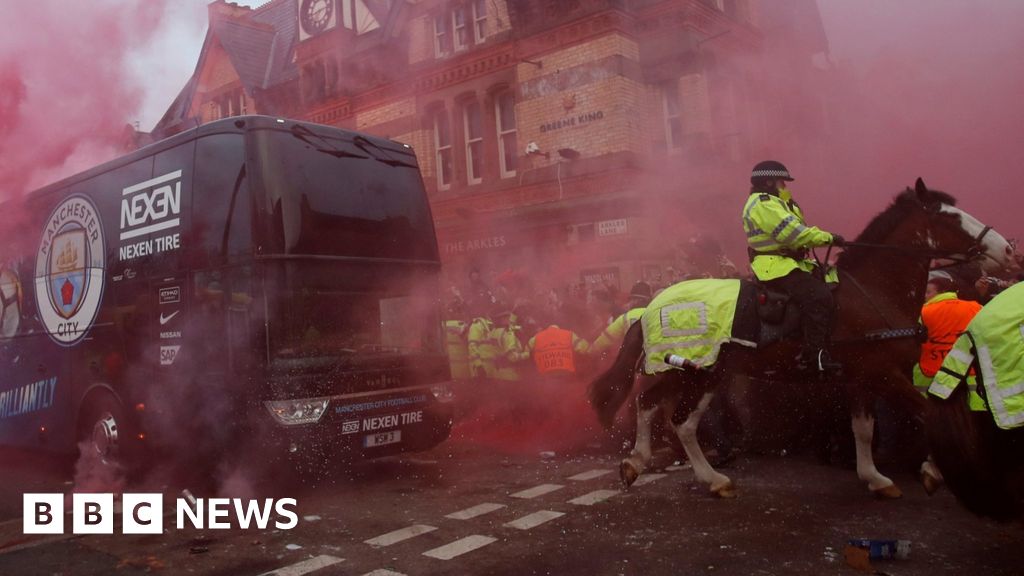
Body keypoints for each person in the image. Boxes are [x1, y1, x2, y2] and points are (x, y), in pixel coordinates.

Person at [741, 160, 844, 372]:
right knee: (818, 295)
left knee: (834, 280)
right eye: (782, 183)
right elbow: (794, 234)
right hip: (774, 265)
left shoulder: (777, 202)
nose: (785, 188)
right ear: (769, 182)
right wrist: (829, 238)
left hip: (789, 262)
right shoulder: (763, 204)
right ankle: (814, 356)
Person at [928, 281, 1024, 428]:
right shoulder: (974, 306)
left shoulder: (927, 310)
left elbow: (963, 349)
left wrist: (940, 391)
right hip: (1002, 341)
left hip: (984, 332)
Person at [912, 271, 982, 393]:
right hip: (969, 372)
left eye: (928, 292)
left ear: (942, 292)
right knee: (974, 409)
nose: (925, 296)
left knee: (931, 408)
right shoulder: (975, 307)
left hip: (931, 372)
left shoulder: (924, 311)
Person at [588, 281, 652, 361]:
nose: (629, 303)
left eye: (632, 300)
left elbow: (604, 340)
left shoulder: (625, 317)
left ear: (636, 300)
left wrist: (590, 350)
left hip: (631, 362)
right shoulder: (657, 314)